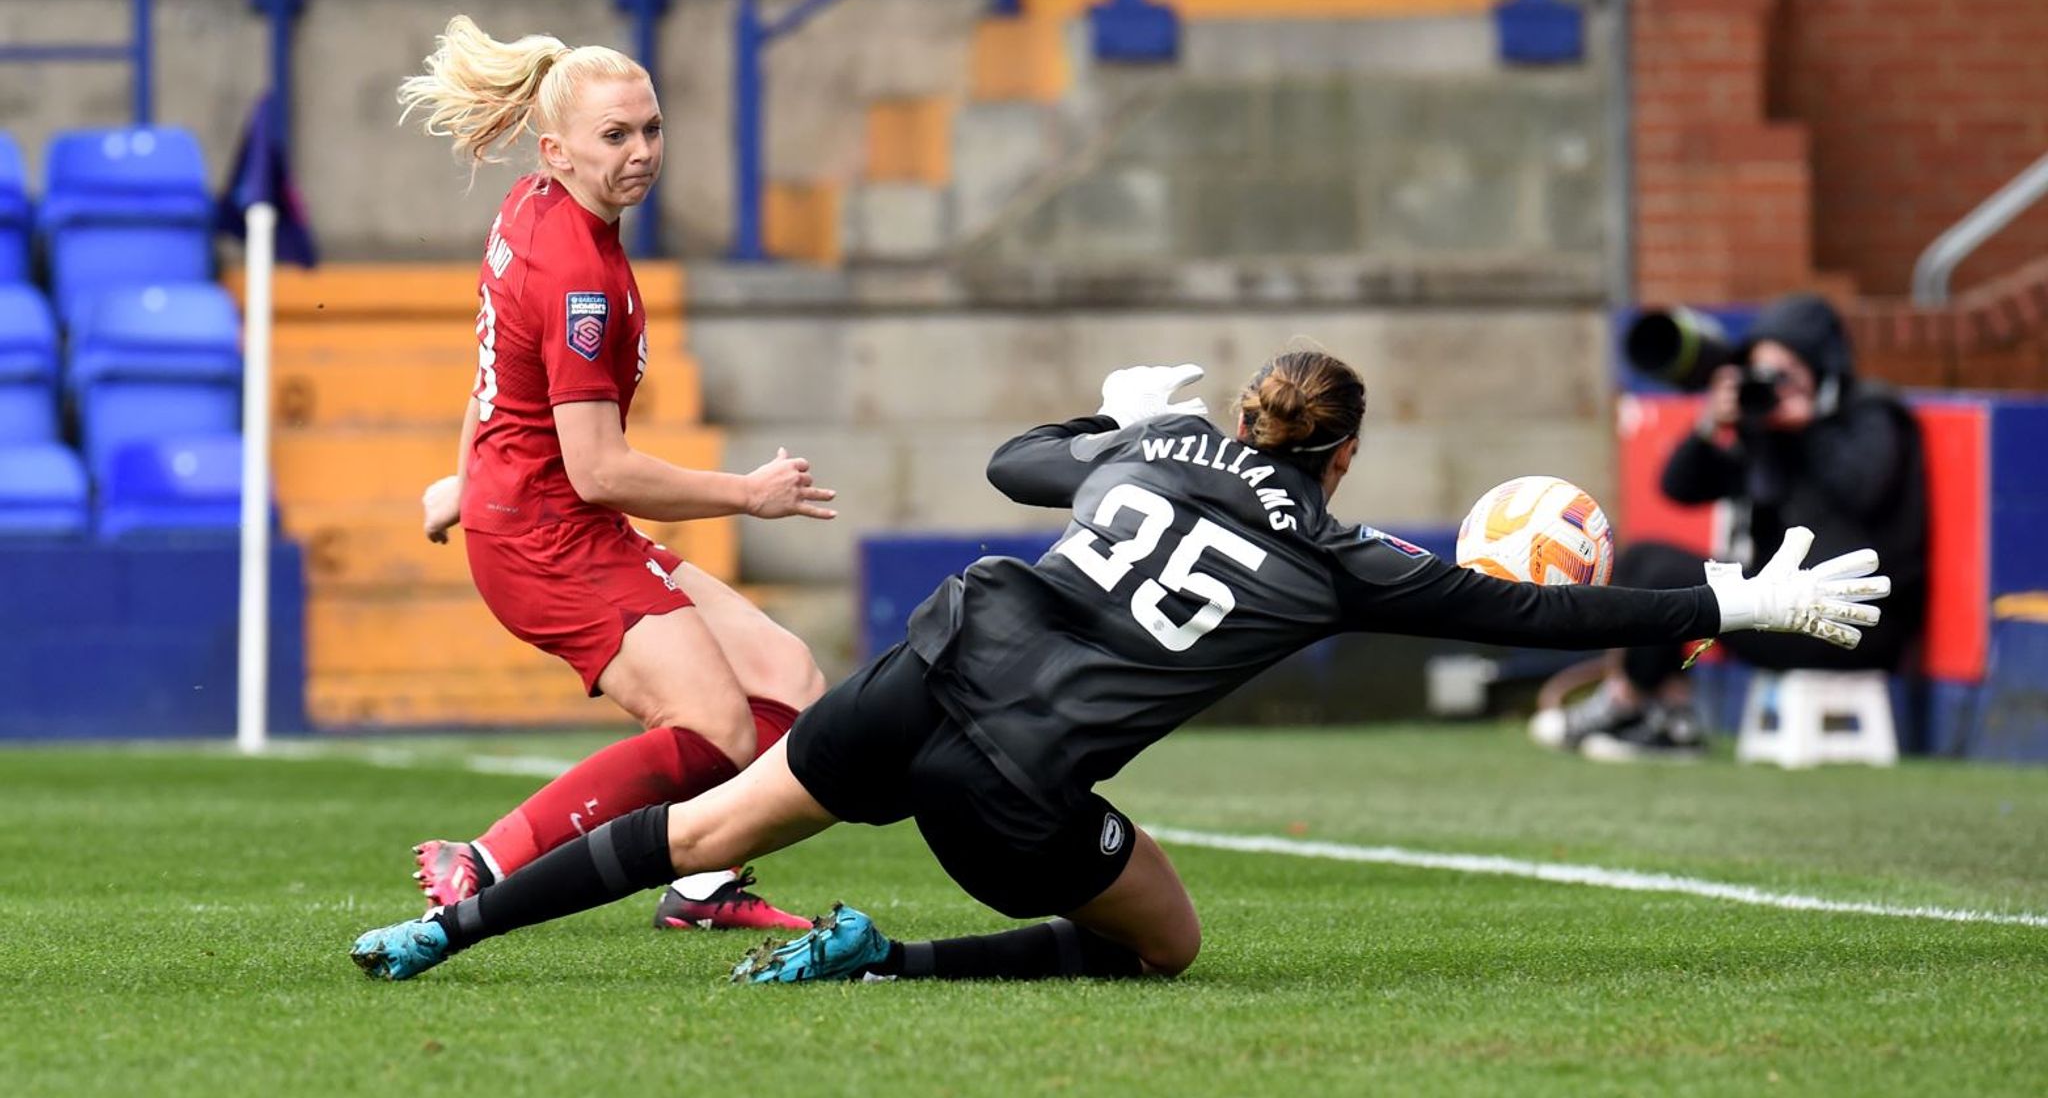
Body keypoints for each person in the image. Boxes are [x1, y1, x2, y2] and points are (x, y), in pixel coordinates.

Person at [351, 350, 1888, 985]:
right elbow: (1542, 624)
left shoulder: (1168, 444)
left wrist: (1115, 422)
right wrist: (1734, 596)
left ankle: (448, 930)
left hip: (937, 654)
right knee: (1167, 944)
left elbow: (1021, 461)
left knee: (704, 834)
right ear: (1346, 453)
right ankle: (885, 963)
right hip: (1008, 776)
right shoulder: (1340, 561)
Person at [392, 15, 839, 930]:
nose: (641, 152)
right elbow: (598, 470)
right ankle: (483, 859)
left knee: (788, 683)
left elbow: (495, 366)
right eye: (616, 136)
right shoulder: (579, 276)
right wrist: (748, 495)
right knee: (713, 729)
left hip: (537, 513)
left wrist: (464, 480)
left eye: (652, 129)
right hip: (548, 538)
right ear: (556, 149)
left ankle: (705, 885)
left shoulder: (534, 205)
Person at [1532, 293, 1928, 761]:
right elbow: (1679, 487)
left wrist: (1809, 426)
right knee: (1644, 559)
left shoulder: (1872, 413)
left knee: (1666, 578)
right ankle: (1666, 711)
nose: (1772, 388)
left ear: (1820, 367)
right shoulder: (1767, 433)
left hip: (1853, 623)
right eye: (1763, 374)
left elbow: (1866, 488)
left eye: (1784, 374)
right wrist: (1710, 424)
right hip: (1781, 606)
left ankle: (1631, 703)